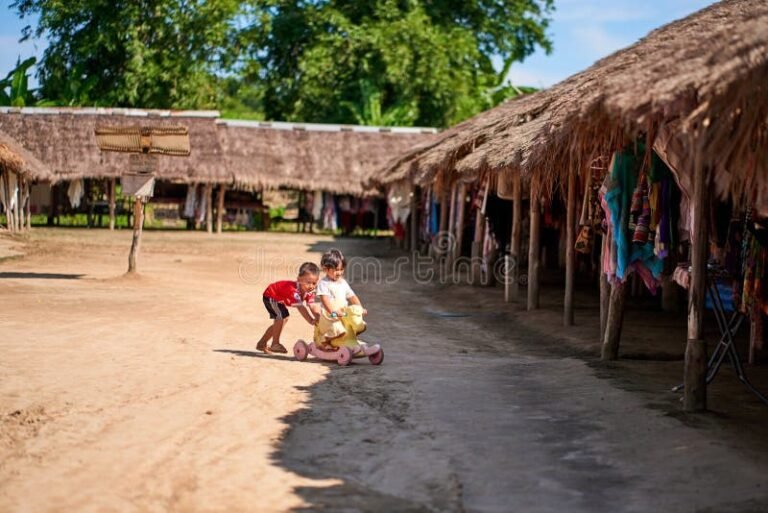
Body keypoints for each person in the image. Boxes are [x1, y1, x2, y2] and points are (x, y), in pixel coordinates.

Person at [257, 262, 319, 354]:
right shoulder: (294, 291)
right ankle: (275, 343)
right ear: (299, 279)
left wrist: (318, 317)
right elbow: (301, 308)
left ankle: (262, 343)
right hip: (271, 295)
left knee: (283, 320)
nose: (311, 286)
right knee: (281, 318)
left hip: (278, 299)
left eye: (314, 283)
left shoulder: (309, 292)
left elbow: (312, 305)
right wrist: (310, 320)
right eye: (308, 282)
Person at [313, 249, 367, 350]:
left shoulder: (343, 283)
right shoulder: (324, 283)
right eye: (336, 270)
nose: (339, 272)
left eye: (342, 269)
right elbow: (325, 300)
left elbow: (352, 296)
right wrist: (333, 312)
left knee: (353, 322)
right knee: (337, 328)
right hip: (330, 315)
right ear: (326, 269)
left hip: (343, 313)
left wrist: (360, 308)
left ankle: (350, 342)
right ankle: (324, 341)